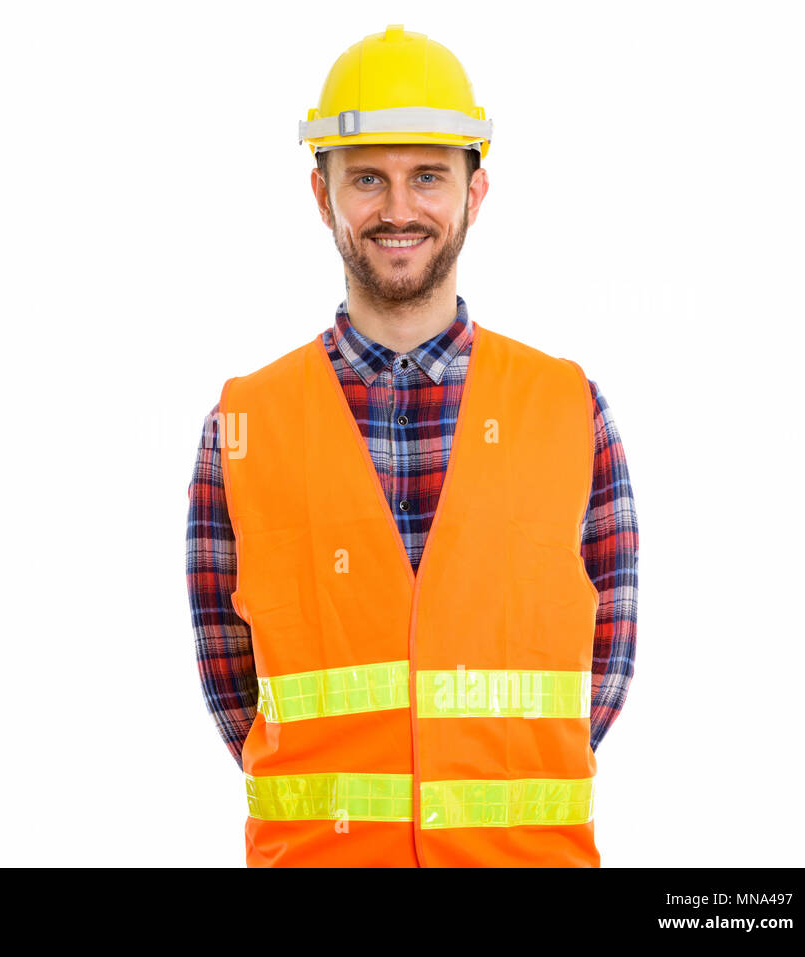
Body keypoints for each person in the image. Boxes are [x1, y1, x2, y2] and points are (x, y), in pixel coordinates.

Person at [184, 25, 638, 867]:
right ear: (322, 197)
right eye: (368, 179)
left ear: (476, 192)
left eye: (428, 175)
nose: (398, 209)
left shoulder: (569, 408)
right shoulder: (242, 426)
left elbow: (605, 664)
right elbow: (230, 678)